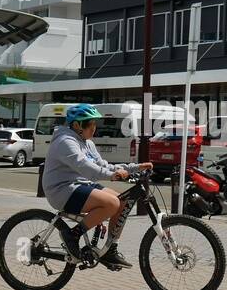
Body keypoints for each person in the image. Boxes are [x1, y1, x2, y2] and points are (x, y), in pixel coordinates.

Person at [41, 104, 152, 269]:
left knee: (123, 201)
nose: (94, 128)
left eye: (94, 123)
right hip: (62, 190)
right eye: (90, 124)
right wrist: (111, 176)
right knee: (111, 203)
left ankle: (110, 250)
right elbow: (85, 166)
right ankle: (72, 235)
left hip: (80, 185)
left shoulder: (88, 144)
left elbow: (104, 165)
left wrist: (135, 167)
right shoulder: (65, 142)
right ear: (77, 125)